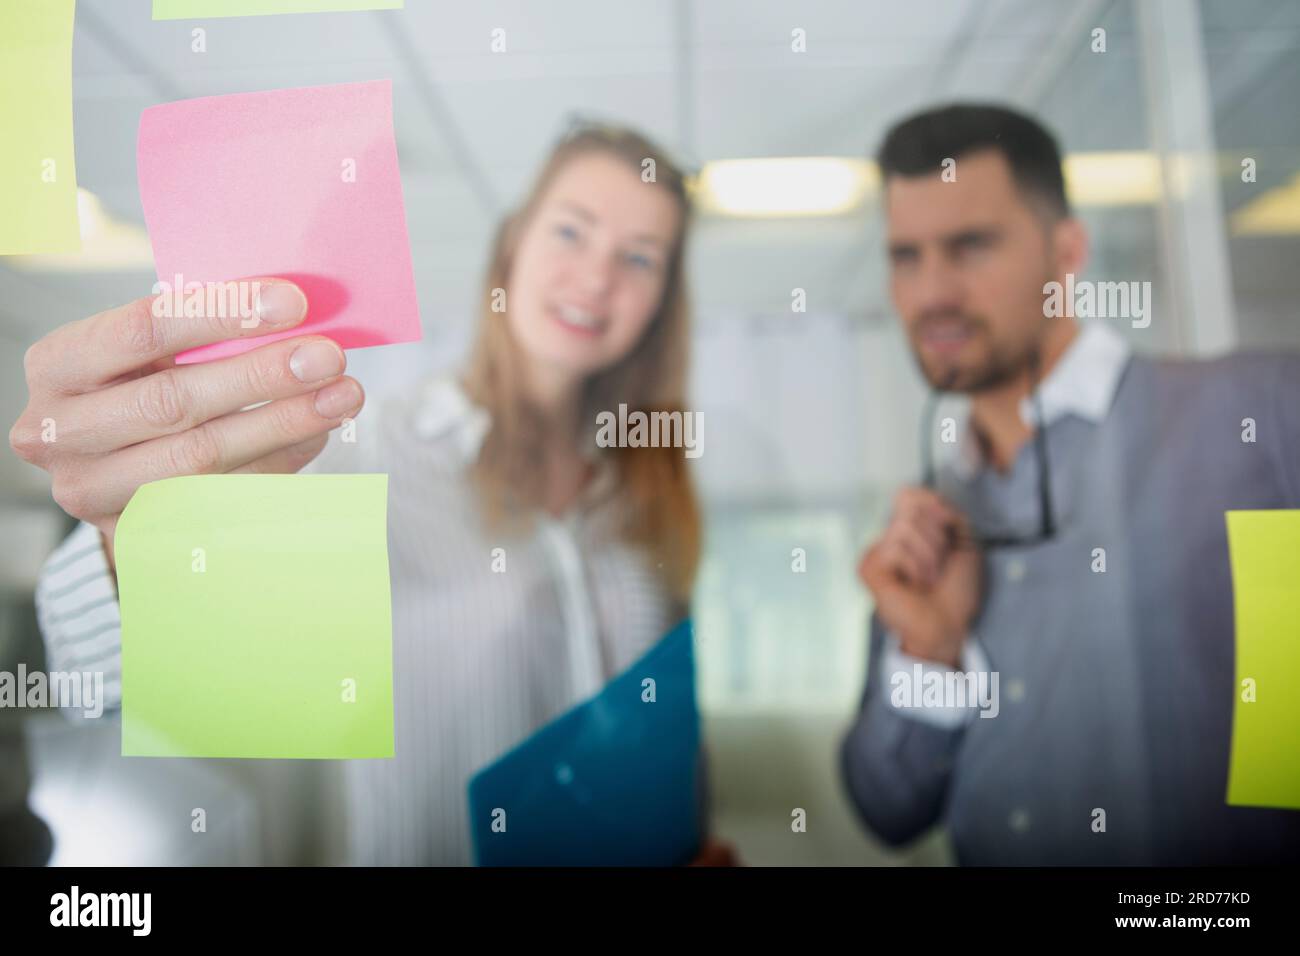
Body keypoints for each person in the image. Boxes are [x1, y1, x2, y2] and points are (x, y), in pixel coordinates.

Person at [12, 123, 730, 865]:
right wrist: (128, 544)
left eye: (640, 257)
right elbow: (100, 687)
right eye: (572, 231)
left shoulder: (645, 492)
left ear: (662, 302)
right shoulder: (367, 452)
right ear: (514, 244)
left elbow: (667, 720)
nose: (598, 276)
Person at [840, 103, 1300, 865]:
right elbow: (888, 811)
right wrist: (930, 648)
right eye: (906, 256)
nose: (932, 293)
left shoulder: (1259, 418)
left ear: (1068, 251)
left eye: (971, 246)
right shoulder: (926, 524)